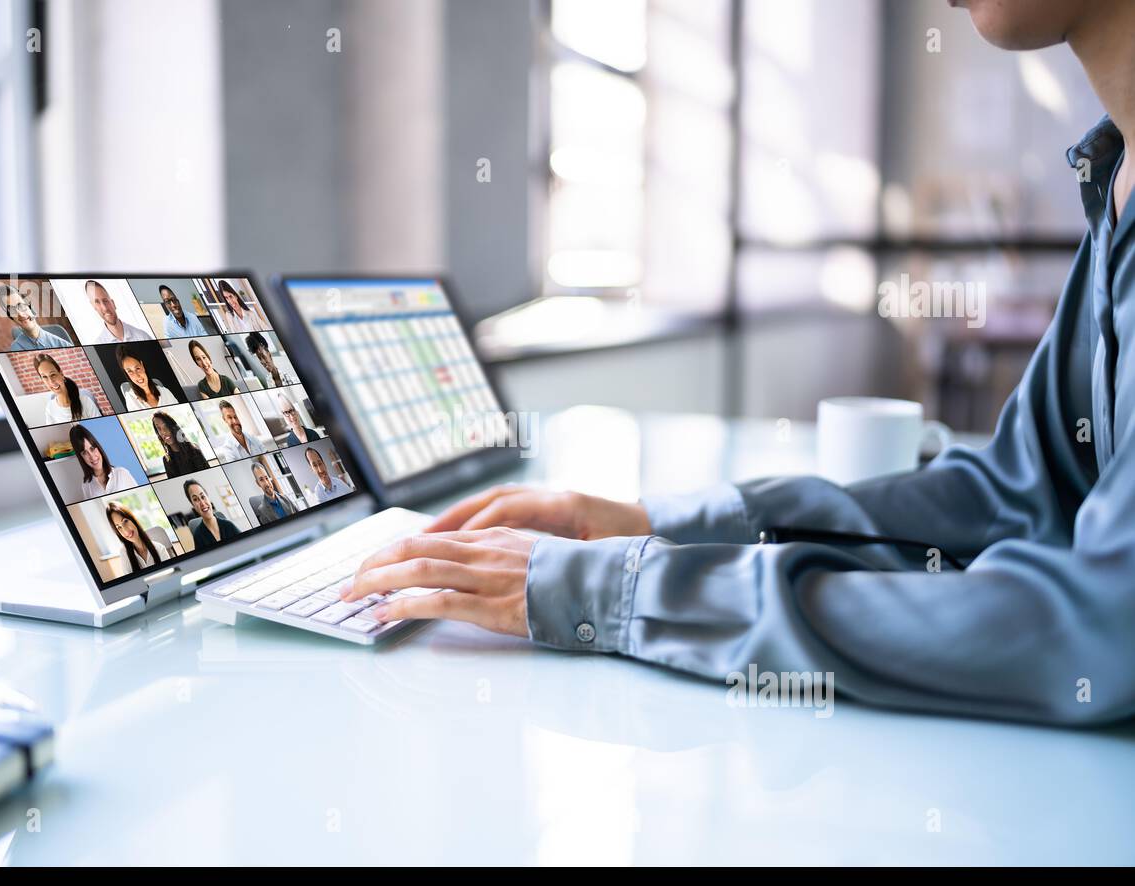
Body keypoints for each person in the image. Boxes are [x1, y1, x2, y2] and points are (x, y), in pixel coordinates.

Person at [340, 0, 1135, 727]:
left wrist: (616, 588)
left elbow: (1102, 627)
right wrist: (654, 524)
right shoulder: (1115, 176)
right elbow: (1012, 496)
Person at [0, 283, 73, 351]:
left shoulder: (63, 345)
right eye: (12, 310)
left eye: (21, 305)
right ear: (12, 318)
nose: (20, 314)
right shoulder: (16, 348)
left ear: (30, 307)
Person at [70, 423, 138, 498]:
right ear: (81, 457)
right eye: (85, 453)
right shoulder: (86, 486)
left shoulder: (121, 473)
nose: (92, 457)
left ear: (98, 448)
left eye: (92, 449)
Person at [36, 352, 102, 424]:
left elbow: (101, 425)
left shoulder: (85, 400)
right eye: (45, 377)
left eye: (53, 374)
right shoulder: (50, 408)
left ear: (61, 373)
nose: (51, 381)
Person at [106, 501, 171, 574]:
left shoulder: (160, 548)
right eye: (119, 527)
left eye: (125, 521)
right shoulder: (124, 553)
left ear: (133, 519)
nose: (126, 531)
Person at [86, 279, 150, 344]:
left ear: (113, 303)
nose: (105, 308)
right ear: (95, 308)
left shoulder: (142, 336)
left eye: (105, 300)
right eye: (97, 302)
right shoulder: (98, 343)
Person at [117, 343, 179, 411]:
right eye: (130, 371)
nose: (137, 375)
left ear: (142, 366)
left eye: (137, 368)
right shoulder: (131, 398)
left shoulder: (164, 391)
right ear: (127, 374)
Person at [184, 479, 242, 548]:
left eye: (203, 497)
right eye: (195, 499)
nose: (202, 503)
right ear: (193, 505)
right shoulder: (198, 535)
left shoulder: (229, 525)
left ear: (208, 498)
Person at [153, 410, 208, 478]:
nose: (163, 432)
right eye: (159, 428)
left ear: (173, 427)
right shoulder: (166, 460)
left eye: (166, 426)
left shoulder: (194, 449)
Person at [248, 458, 297, 524]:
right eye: (261, 480)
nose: (267, 483)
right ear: (258, 483)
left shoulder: (285, 497)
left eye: (266, 478)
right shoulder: (262, 511)